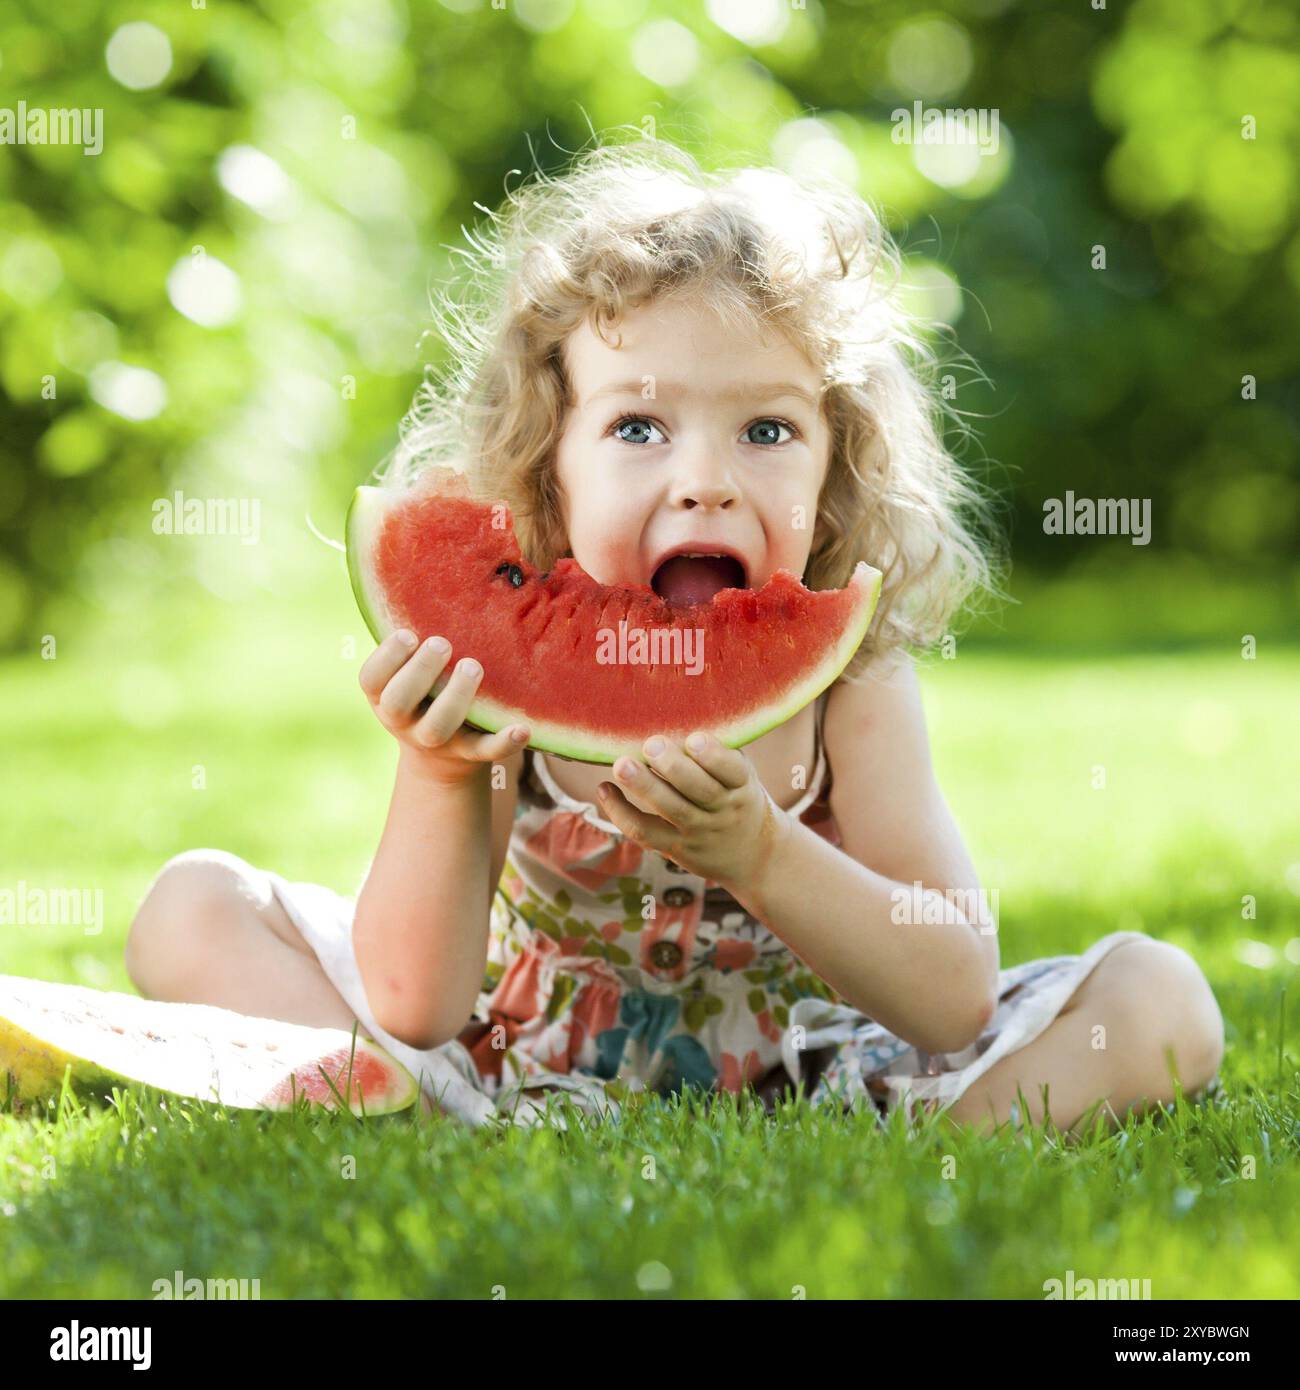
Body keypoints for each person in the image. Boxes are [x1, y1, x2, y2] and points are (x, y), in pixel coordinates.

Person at [125, 136, 1224, 1134]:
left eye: (766, 428)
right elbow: (417, 1001)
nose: (703, 481)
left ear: (838, 469)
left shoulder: (853, 679)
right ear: (545, 461)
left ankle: (923, 1143)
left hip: (819, 1079)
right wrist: (436, 772)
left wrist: (764, 851)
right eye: (638, 426)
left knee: (1161, 999)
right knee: (190, 906)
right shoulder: (494, 681)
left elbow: (950, 992)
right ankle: (427, 1115)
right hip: (516, 1059)